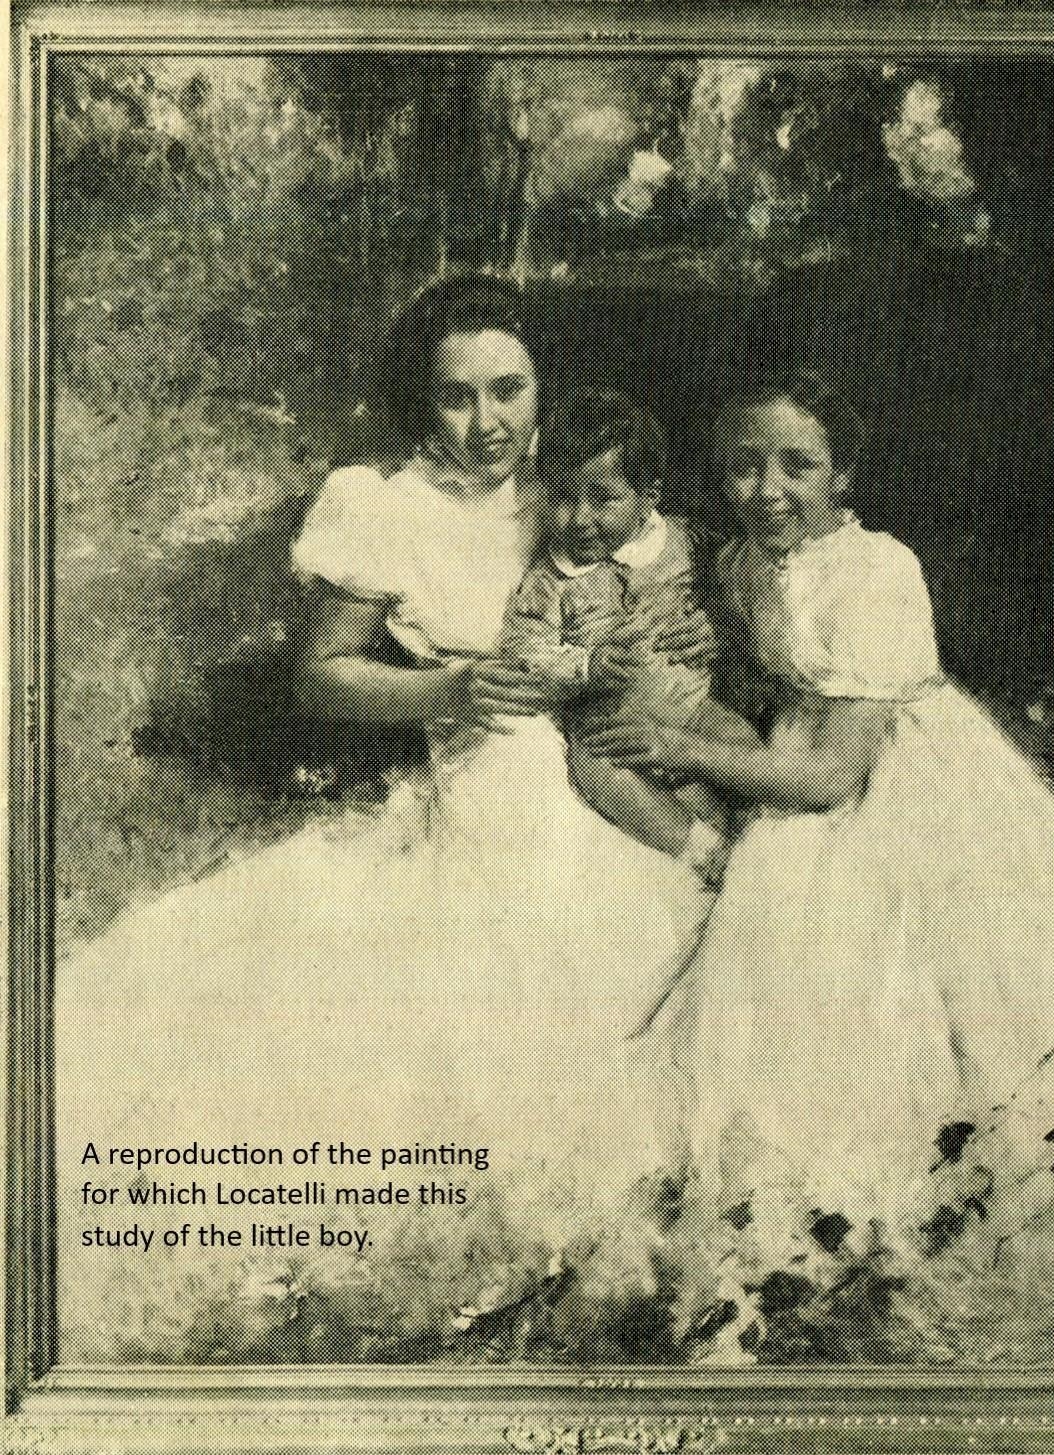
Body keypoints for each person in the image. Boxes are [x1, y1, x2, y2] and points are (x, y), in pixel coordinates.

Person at [54, 274, 719, 1363]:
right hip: (495, 759)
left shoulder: (573, 481)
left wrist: (676, 640)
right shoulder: (384, 503)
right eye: (458, 396)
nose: (488, 422)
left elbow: (651, 585)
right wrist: (447, 690)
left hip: (620, 733)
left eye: (509, 390)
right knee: (537, 941)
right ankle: (554, 1215)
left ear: (541, 387)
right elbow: (322, 674)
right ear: (423, 399)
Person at [582, 364, 1054, 1291]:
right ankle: (782, 1202)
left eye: (797, 465)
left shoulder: (880, 570)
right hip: (802, 748)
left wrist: (681, 747)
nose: (767, 490)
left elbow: (832, 776)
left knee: (853, 958)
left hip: (892, 783)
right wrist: (713, 650)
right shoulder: (741, 561)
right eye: (743, 467)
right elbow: (776, 660)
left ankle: (890, 1187)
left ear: (842, 473)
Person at [499, 387, 760, 878]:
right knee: (591, 766)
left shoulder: (686, 543)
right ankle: (703, 851)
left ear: (649, 497)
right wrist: (584, 664)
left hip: (691, 710)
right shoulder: (548, 580)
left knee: (742, 741)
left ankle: (765, 840)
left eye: (603, 499)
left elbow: (743, 594)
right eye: (563, 498)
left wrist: (718, 628)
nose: (579, 519)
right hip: (610, 728)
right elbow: (522, 650)